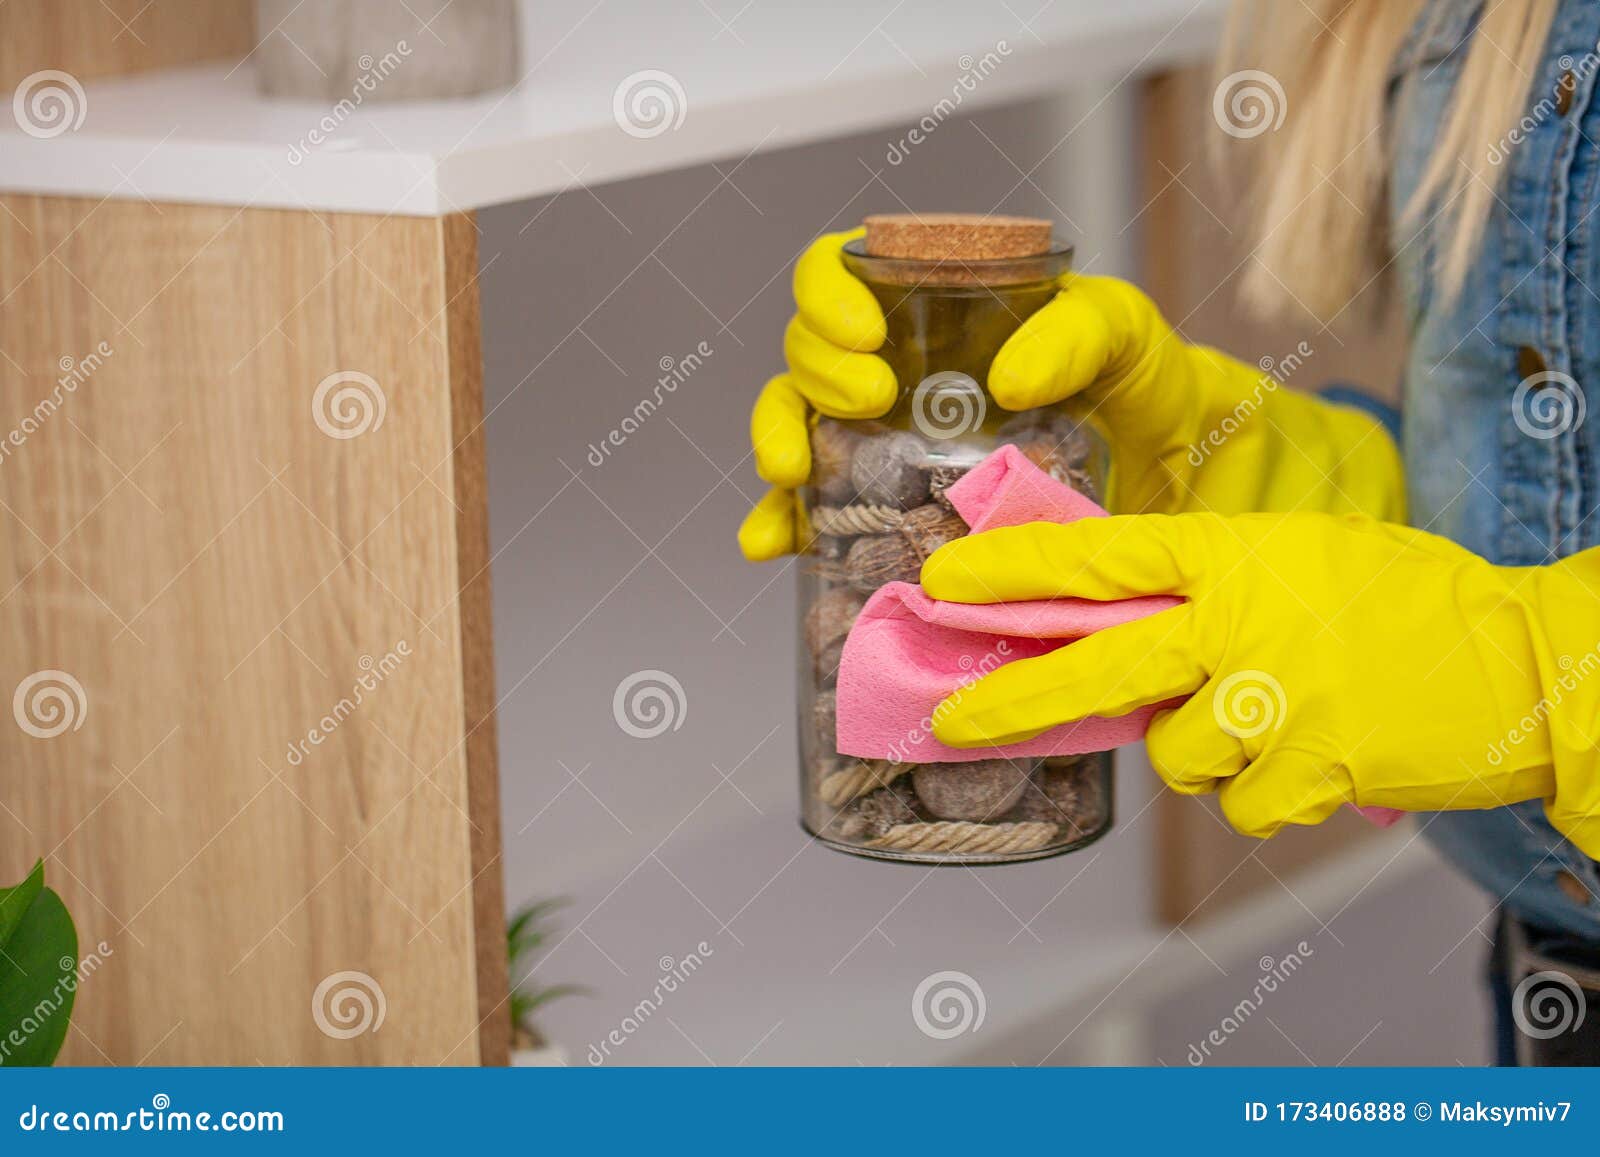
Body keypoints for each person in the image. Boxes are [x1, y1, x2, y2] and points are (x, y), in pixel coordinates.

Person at [738, 1, 1600, 1064]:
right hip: (1550, 982)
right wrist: (1226, 460)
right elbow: (1528, 473)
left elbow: (1506, 634)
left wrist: (1536, 670)